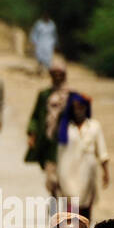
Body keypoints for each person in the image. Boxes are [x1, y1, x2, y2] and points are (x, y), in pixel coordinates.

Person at [57, 92, 109, 221]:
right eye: (76, 107)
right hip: (68, 173)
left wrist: (105, 172)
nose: (79, 110)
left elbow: (102, 151)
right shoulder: (66, 128)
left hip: (87, 173)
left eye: (81, 107)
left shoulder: (94, 126)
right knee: (71, 208)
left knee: (85, 208)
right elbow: (60, 153)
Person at [25, 60, 69, 201]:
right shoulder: (44, 95)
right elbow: (36, 116)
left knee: (67, 179)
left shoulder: (71, 96)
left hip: (67, 144)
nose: (57, 77)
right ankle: (54, 206)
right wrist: (32, 135)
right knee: (52, 179)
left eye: (59, 74)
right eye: (54, 74)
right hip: (49, 143)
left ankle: (69, 213)